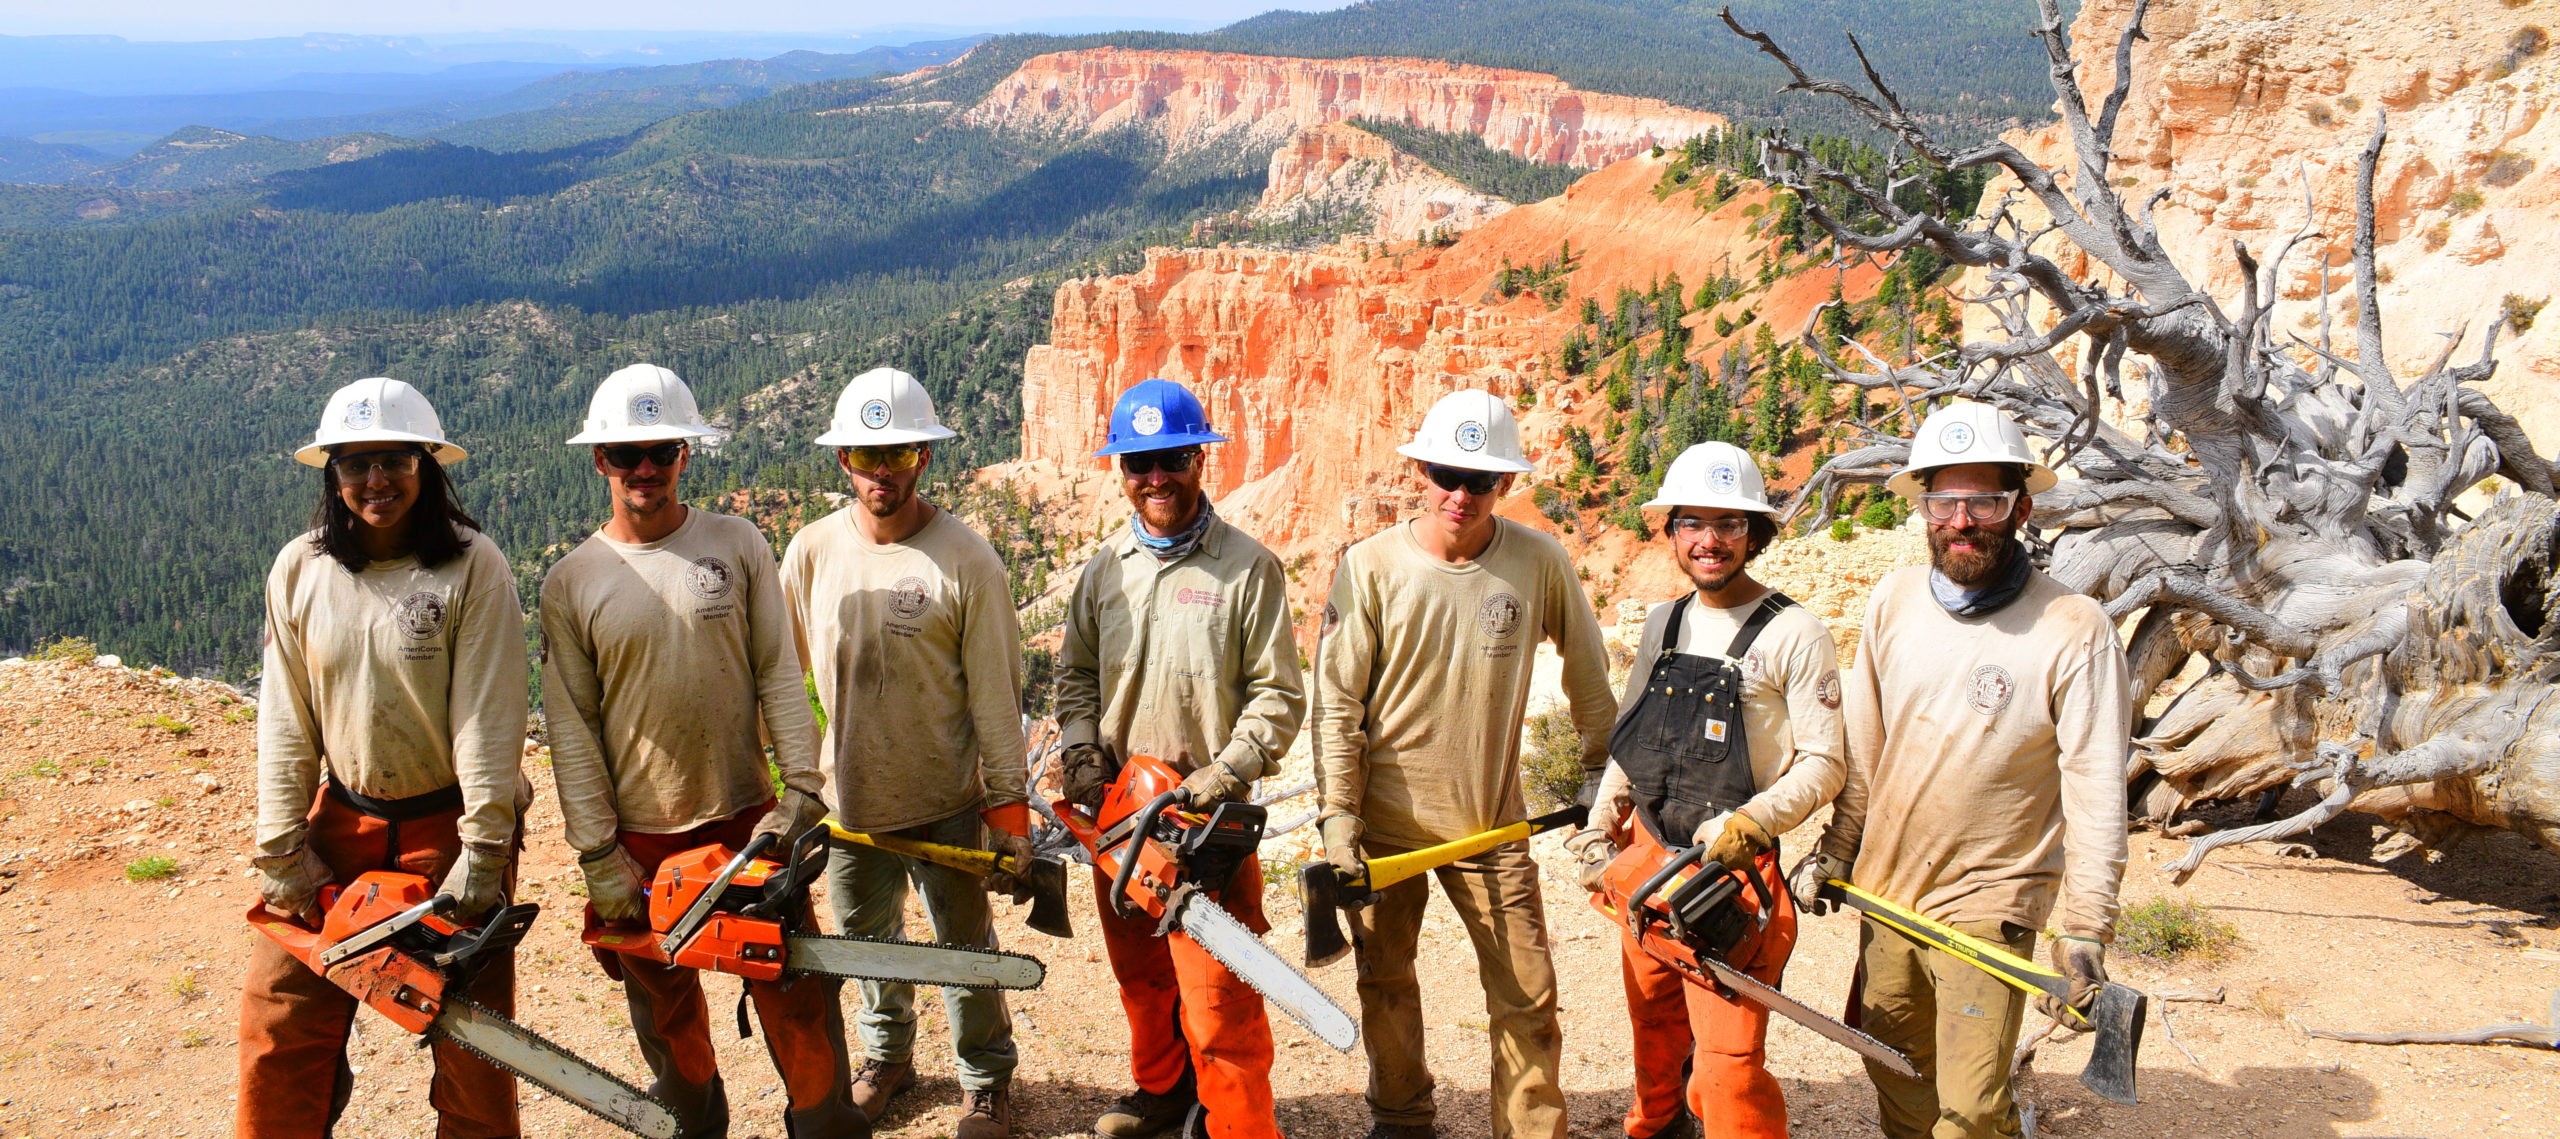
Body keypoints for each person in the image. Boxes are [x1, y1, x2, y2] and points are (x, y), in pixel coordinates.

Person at [539, 363, 864, 1138]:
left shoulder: (737, 543)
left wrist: (801, 792)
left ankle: (824, 1122)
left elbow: (778, 672)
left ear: (685, 452)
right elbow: (572, 729)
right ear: (600, 461)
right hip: (641, 834)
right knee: (667, 1011)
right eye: (626, 454)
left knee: (797, 997)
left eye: (660, 450)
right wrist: (597, 854)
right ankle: (692, 1115)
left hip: (748, 816)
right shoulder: (573, 581)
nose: (644, 469)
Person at [1795, 401, 2130, 1139]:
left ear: (2022, 506)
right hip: (1889, 890)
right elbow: (1865, 749)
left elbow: (2096, 786)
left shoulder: (2074, 628)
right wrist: (1838, 852)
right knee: (1891, 1064)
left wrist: (2085, 927)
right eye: (1943, 500)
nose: (1963, 519)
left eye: (1986, 499)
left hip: (1990, 900)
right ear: (1923, 506)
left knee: (1972, 1107)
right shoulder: (1893, 602)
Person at [1311, 389, 1617, 1139]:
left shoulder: (1538, 561)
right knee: (1385, 982)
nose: (1460, 493)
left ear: (1505, 485)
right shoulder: (1371, 566)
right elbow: (1336, 701)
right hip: (1384, 827)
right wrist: (1339, 816)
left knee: (1526, 992)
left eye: (1480, 480)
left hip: (1491, 826)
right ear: (1420, 469)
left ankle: (1529, 1131)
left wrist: (1601, 777)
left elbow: (1589, 675)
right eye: (1446, 472)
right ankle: (1402, 1118)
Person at [239, 376, 529, 1137]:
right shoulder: (301, 568)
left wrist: (486, 845)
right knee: (281, 1026)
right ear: (331, 474)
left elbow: (488, 715)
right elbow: (286, 717)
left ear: (425, 466)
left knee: (474, 1047)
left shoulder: (473, 566)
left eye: (394, 460)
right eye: (355, 462)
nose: (375, 480)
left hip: (447, 825)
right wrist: (281, 850)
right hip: (341, 816)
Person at [1569, 442, 1847, 1139]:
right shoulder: (1663, 622)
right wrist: (1599, 827)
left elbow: (1825, 763)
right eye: (1694, 522)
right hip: (1647, 859)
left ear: (1755, 533)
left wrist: (1753, 821)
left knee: (1727, 1066)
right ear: (1672, 530)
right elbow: (1633, 747)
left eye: (1730, 523)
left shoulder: (1796, 633)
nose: (1710, 541)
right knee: (1655, 1032)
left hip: (1731, 877)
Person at [782, 366, 1031, 1139]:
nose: (879, 471)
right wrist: (790, 788)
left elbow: (996, 699)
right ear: (841, 461)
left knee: (965, 947)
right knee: (865, 943)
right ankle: (888, 1059)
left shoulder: (967, 561)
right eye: (864, 454)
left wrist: (1010, 813)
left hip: (948, 800)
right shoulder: (812, 552)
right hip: (848, 800)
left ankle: (985, 1079)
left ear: (924, 455)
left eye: (896, 454)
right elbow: (781, 678)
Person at [1054, 379, 1307, 1139]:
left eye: (1170, 458)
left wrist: (1221, 773)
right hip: (1122, 813)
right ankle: (1164, 1090)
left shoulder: (1248, 568)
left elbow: (1277, 697)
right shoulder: (1106, 568)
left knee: (1221, 992)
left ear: (1200, 458)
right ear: (1119, 471)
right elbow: (1075, 676)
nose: (1155, 478)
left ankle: (1235, 1124)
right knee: (1141, 975)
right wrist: (1079, 751)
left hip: (1206, 818)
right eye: (1138, 463)